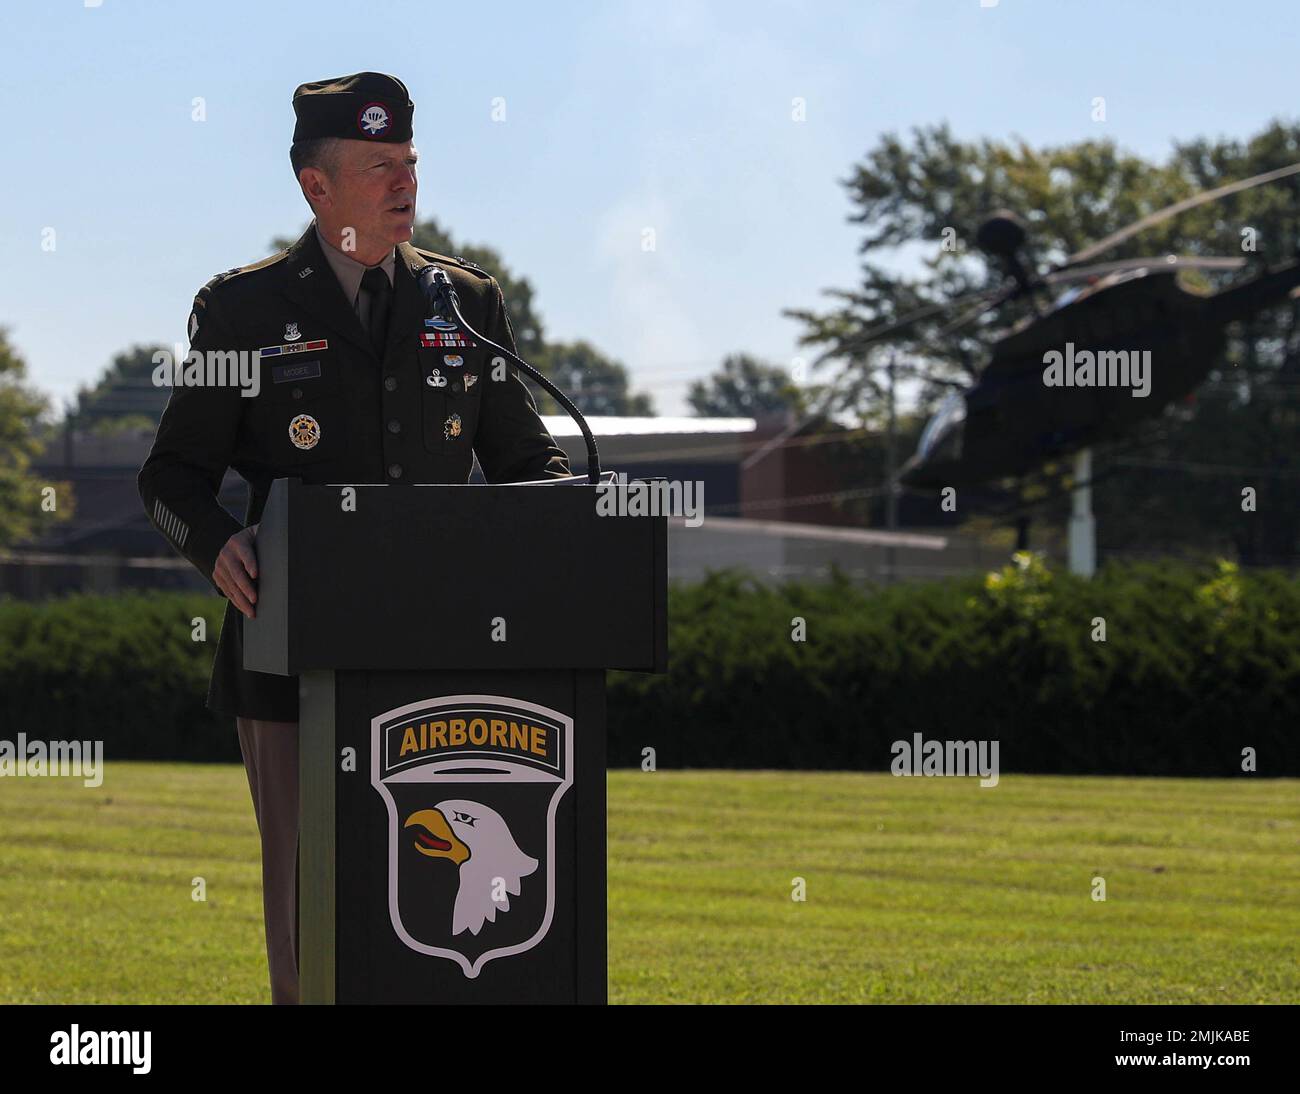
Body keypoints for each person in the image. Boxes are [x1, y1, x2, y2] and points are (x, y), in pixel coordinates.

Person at [138, 71, 570, 1004]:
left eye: (409, 162)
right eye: (378, 166)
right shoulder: (242, 313)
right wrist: (216, 544)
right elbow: (170, 475)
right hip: (292, 659)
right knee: (314, 900)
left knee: (426, 888)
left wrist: (584, 517)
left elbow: (527, 467)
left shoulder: (464, 304)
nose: (404, 182)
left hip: (445, 653)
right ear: (315, 185)